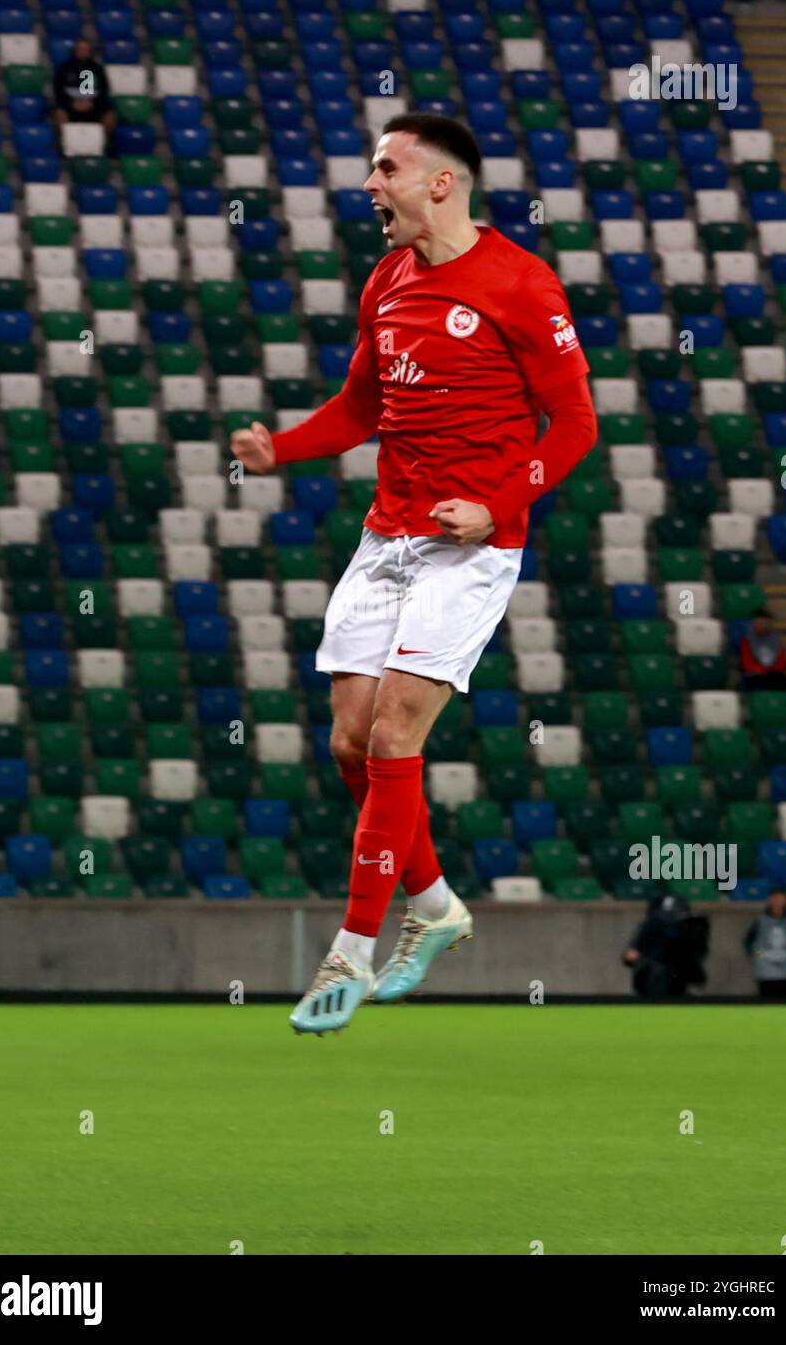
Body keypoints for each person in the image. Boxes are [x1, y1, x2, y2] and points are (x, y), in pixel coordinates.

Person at [232, 113, 597, 1035]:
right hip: (386, 536)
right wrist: (284, 449)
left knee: (396, 732)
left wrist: (500, 502)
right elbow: (358, 408)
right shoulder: (387, 281)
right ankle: (436, 908)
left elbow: (577, 425)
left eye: (385, 168)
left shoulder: (523, 282)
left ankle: (348, 954)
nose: (371, 184)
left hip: (474, 546)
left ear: (441, 182)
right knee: (351, 745)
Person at [622, 892, 709, 999]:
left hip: (676, 981)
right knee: (656, 971)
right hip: (650, 981)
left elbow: (696, 963)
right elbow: (629, 956)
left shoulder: (689, 930)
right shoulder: (647, 928)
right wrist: (638, 957)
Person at [744, 886, 786, 998]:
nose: (777, 901)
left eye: (780, 898)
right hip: (765, 974)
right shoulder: (760, 921)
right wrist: (761, 956)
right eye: (774, 898)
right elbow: (749, 945)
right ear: (769, 899)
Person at [52, 37, 116, 141]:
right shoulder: (63, 68)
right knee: (59, 114)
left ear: (90, 51)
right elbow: (58, 91)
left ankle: (101, 146)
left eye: (86, 49)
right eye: (80, 48)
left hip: (93, 106)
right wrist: (72, 103)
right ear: (75, 50)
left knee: (110, 115)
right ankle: (66, 146)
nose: (83, 51)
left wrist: (92, 103)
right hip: (70, 107)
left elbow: (104, 91)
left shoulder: (97, 69)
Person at [738, 608, 786, 692]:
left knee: (782, 680)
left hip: (772, 674)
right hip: (755, 675)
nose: (763, 625)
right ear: (755, 623)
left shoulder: (776, 640)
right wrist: (763, 671)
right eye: (760, 623)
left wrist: (770, 671)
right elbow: (746, 662)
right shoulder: (747, 640)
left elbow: (782, 661)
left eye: (766, 623)